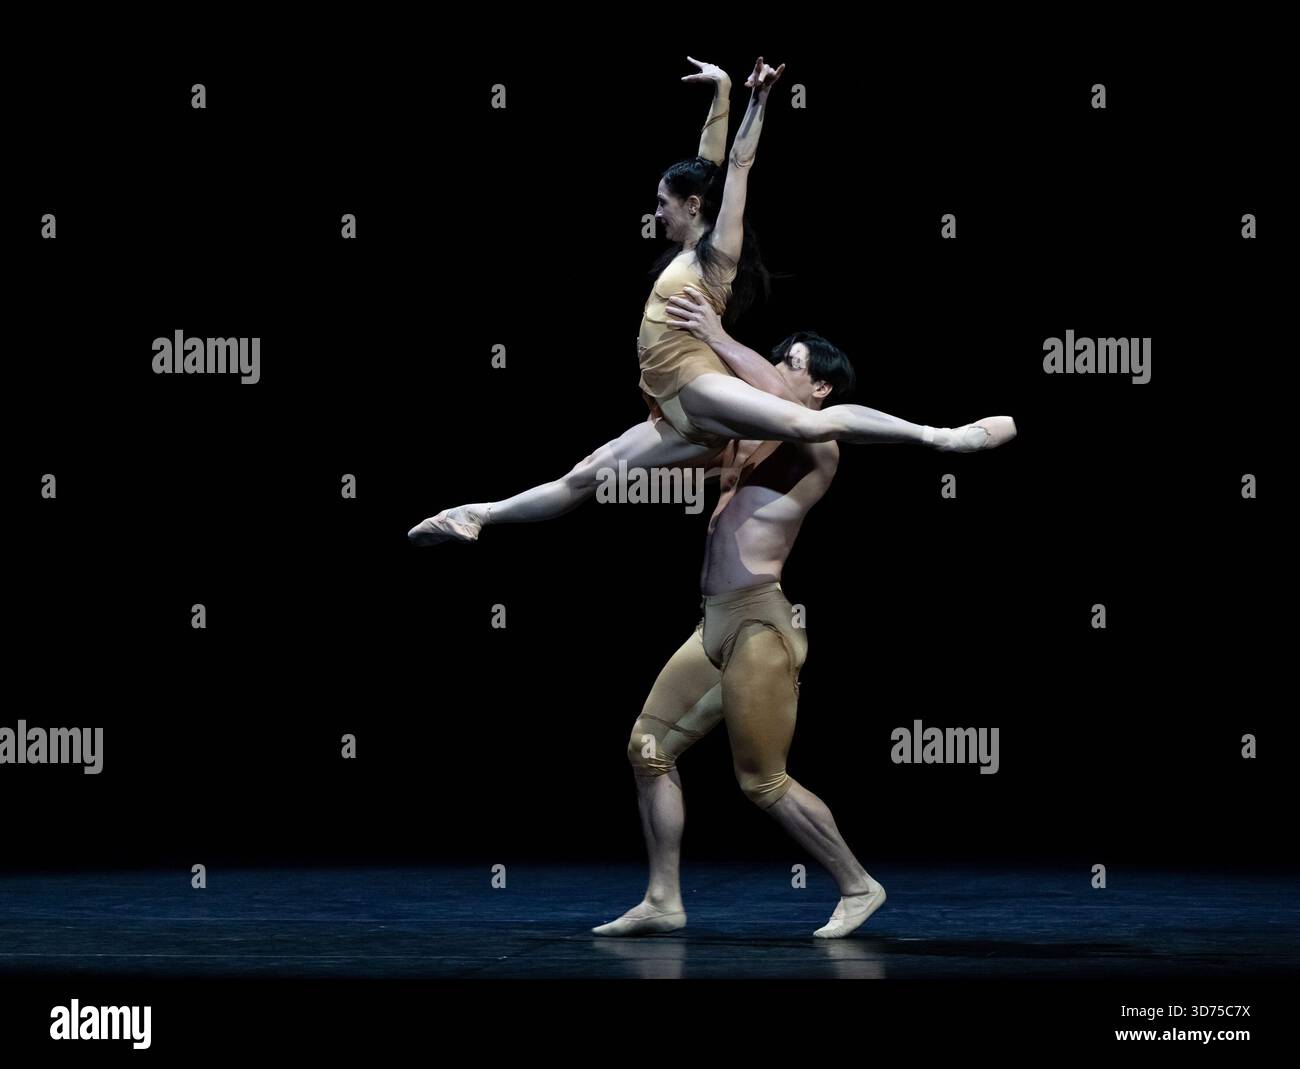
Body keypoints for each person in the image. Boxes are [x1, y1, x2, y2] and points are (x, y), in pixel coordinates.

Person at [408, 54, 1014, 547]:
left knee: (809, 423)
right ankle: (479, 514)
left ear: (692, 208)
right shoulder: (686, 246)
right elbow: (708, 160)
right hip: (670, 409)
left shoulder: (716, 252)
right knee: (584, 478)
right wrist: (722, 91)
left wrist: (757, 102)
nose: (656, 209)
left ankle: (943, 437)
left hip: (696, 385)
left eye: (663, 202)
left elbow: (737, 166)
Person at [592, 292, 884, 939]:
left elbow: (774, 403)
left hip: (760, 625)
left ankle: (858, 883)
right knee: (648, 748)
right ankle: (664, 898)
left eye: (793, 362)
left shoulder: (820, 441)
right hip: (713, 623)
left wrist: (717, 333)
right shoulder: (749, 441)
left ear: (822, 386)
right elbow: (688, 438)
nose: (779, 367)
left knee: (762, 781)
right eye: (776, 357)